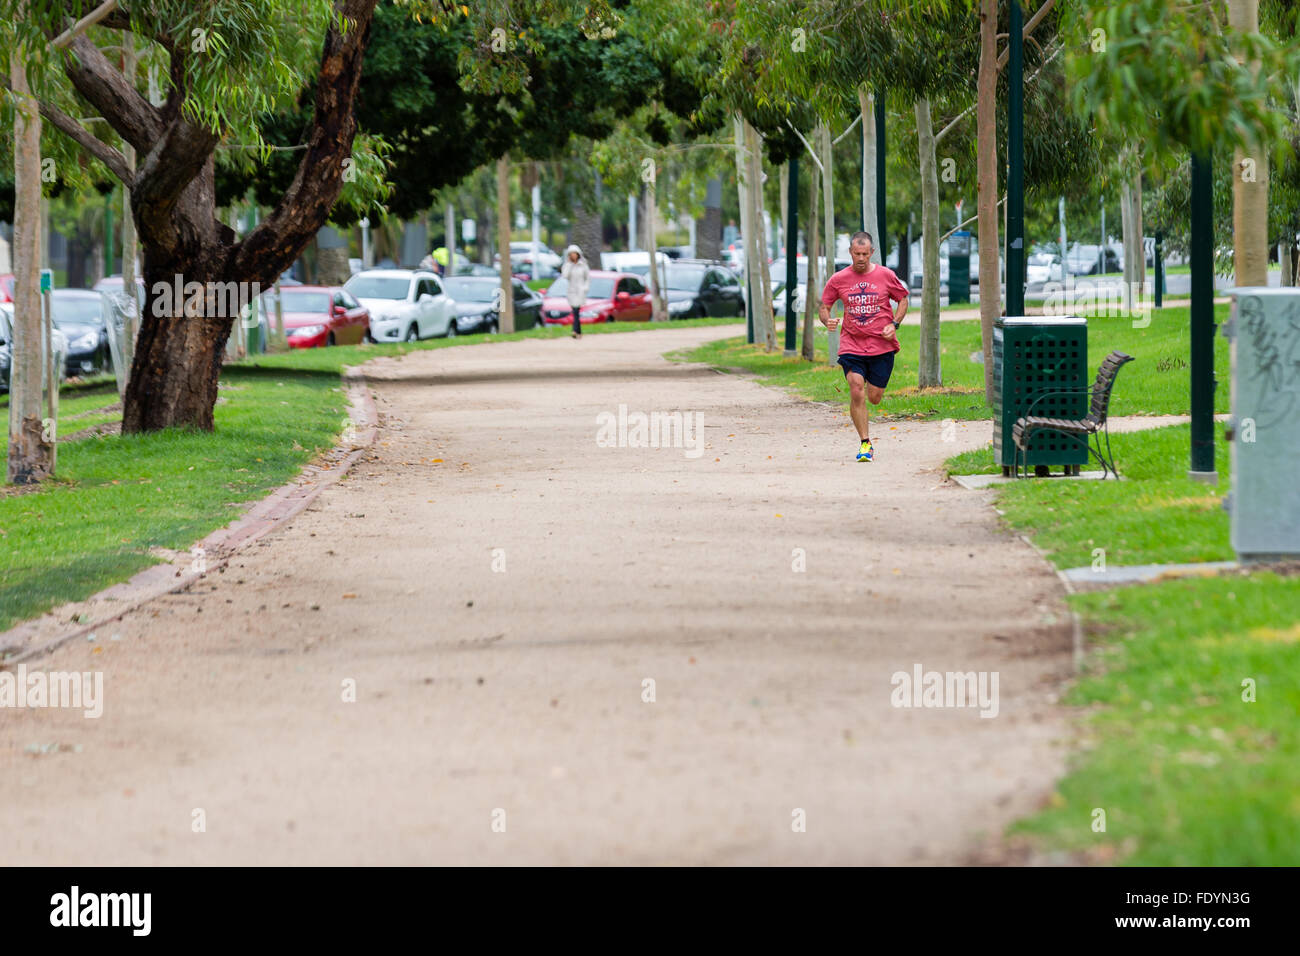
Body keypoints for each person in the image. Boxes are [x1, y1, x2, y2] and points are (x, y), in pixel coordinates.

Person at [819, 231, 909, 462]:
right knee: (856, 387)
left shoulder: (886, 275)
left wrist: (895, 323)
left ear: (872, 252)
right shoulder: (838, 279)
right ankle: (865, 443)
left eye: (865, 254)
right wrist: (826, 319)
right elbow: (824, 306)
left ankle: (871, 394)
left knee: (875, 397)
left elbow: (903, 298)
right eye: (857, 253)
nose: (861, 258)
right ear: (850, 252)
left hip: (882, 345)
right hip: (852, 343)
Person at [561, 244, 589, 339]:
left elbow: (587, 278)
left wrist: (585, 288)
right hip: (572, 291)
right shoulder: (567, 265)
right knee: (575, 310)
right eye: (571, 254)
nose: (573, 256)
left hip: (580, 291)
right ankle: (577, 331)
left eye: (574, 254)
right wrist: (569, 265)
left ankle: (575, 330)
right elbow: (565, 275)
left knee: (576, 310)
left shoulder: (583, 265)